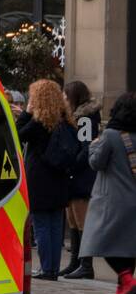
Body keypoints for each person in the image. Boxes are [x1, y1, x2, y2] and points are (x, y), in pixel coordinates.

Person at [79, 92, 136, 294]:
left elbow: (96, 162)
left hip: (112, 199)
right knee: (128, 247)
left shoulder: (111, 135)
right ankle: (123, 291)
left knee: (101, 243)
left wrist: (93, 144)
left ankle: (127, 280)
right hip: (133, 198)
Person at [16, 79, 76, 281]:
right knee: (55, 225)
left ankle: (46, 269)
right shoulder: (66, 121)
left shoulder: (38, 123)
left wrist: (26, 112)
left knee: (41, 225)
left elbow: (17, 135)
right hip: (59, 177)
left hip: (39, 178)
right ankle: (52, 268)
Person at [61, 80, 102, 278]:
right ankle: (75, 261)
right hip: (73, 172)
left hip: (81, 173)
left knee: (81, 218)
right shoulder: (74, 116)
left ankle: (86, 265)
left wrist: (72, 164)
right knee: (72, 218)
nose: (63, 98)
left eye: (65, 95)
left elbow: (85, 146)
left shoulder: (86, 117)